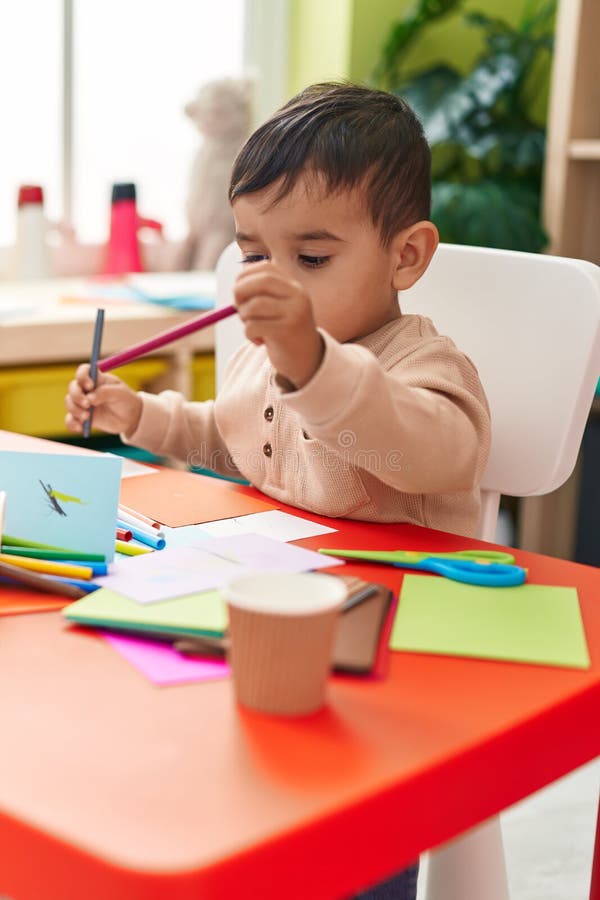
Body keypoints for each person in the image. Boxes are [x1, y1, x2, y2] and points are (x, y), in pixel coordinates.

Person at [65, 82, 490, 899]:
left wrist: (315, 365)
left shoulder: (423, 367)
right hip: (274, 629)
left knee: (348, 839)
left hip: (397, 672)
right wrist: (142, 414)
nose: (276, 282)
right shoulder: (266, 357)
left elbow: (424, 451)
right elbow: (231, 439)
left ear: (405, 255)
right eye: (256, 254)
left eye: (313, 258)